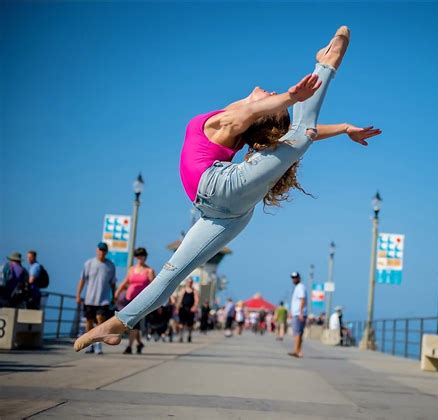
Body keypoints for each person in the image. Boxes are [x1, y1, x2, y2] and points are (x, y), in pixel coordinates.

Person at [75, 27, 381, 351]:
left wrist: (292, 98)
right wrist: (341, 126)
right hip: (223, 212)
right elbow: (292, 132)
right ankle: (118, 323)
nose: (268, 91)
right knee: (172, 272)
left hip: (221, 187)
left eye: (270, 100)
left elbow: (272, 120)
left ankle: (327, 63)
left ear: (260, 112)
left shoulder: (236, 119)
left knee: (301, 134)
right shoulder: (233, 117)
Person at [75, 242, 116, 354]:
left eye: (104, 250)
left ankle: (98, 344)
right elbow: (82, 280)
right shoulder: (89, 263)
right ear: (96, 250)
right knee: (89, 321)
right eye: (100, 250)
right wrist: (78, 294)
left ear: (106, 252)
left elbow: (113, 283)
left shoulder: (110, 266)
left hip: (103, 299)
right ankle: (90, 344)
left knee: (100, 320)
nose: (101, 252)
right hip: (89, 298)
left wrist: (114, 296)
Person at [114, 247, 155, 354]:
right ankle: (139, 343)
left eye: (142, 255)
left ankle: (129, 347)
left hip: (141, 301)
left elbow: (155, 286)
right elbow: (126, 281)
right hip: (128, 299)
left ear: (145, 257)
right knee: (128, 323)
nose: (140, 258)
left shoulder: (149, 271)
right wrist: (118, 291)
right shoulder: (132, 269)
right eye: (138, 255)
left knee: (134, 323)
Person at [289, 272, 307, 358]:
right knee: (298, 333)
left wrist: (300, 313)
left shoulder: (300, 287)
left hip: (298, 314)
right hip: (297, 313)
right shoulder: (298, 287)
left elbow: (302, 299)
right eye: (293, 278)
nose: (294, 279)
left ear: (299, 278)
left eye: (295, 278)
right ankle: (297, 350)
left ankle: (297, 351)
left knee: (297, 333)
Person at [176, 278, 199, 343]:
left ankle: (189, 335)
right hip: (183, 309)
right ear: (186, 282)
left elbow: (196, 300)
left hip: (190, 309)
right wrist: (177, 308)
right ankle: (181, 336)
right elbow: (179, 299)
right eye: (188, 282)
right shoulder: (183, 290)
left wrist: (194, 307)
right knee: (181, 323)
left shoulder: (194, 291)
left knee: (190, 324)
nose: (190, 283)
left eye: (191, 282)